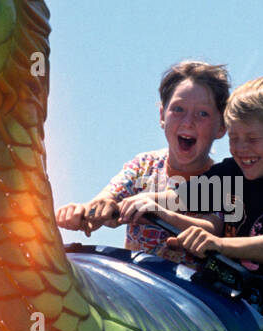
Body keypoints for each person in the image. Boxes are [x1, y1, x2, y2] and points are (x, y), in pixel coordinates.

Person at [145, 65, 263, 325]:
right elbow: (179, 198)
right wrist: (140, 203)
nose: (241, 149)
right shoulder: (231, 174)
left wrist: (219, 245)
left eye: (252, 139)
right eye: (234, 138)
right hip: (213, 314)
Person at [54, 60, 229, 259]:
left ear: (221, 127)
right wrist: (83, 213)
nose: (188, 122)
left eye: (203, 114)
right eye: (178, 109)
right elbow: (105, 201)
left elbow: (212, 229)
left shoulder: (220, 179)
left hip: (186, 288)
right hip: (138, 283)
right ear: (162, 115)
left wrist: (159, 213)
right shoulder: (144, 165)